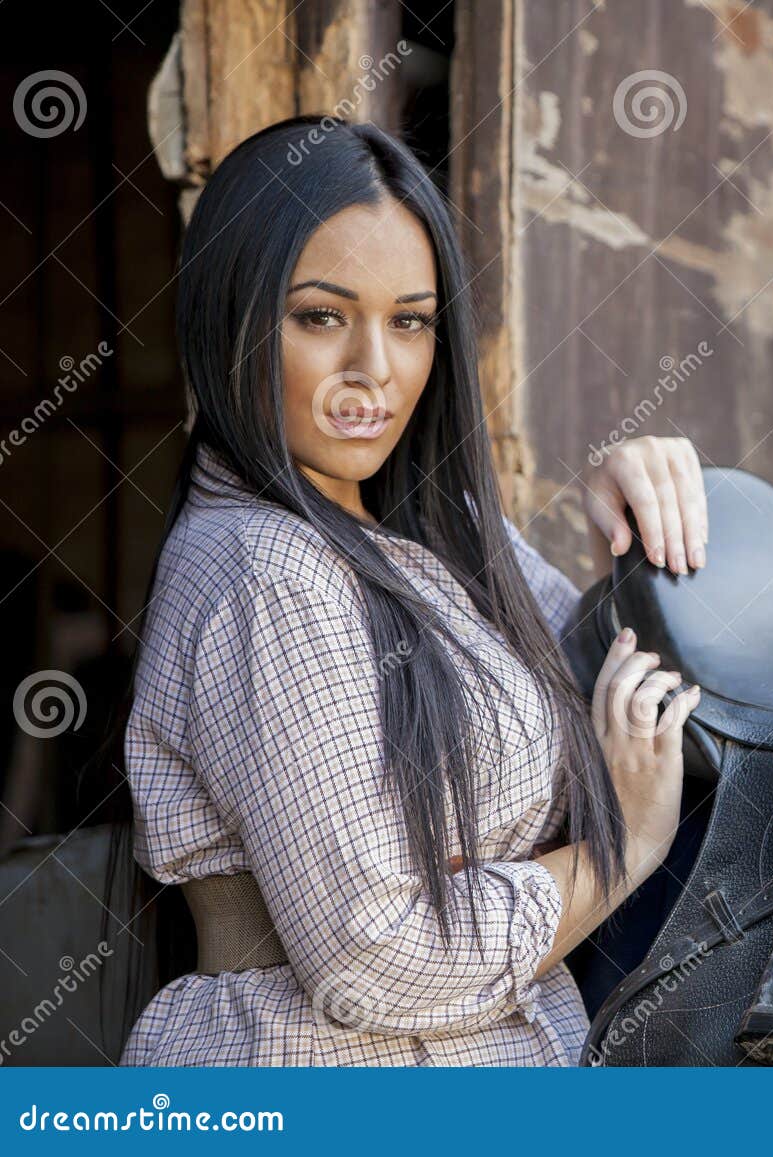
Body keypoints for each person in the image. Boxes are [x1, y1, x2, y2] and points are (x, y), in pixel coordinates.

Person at [114, 116, 707, 1065]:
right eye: (320, 316)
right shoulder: (266, 572)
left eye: (410, 320)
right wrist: (619, 851)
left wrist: (628, 530)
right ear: (230, 315)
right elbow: (373, 959)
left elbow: (617, 693)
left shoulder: (436, 528)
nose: (374, 373)